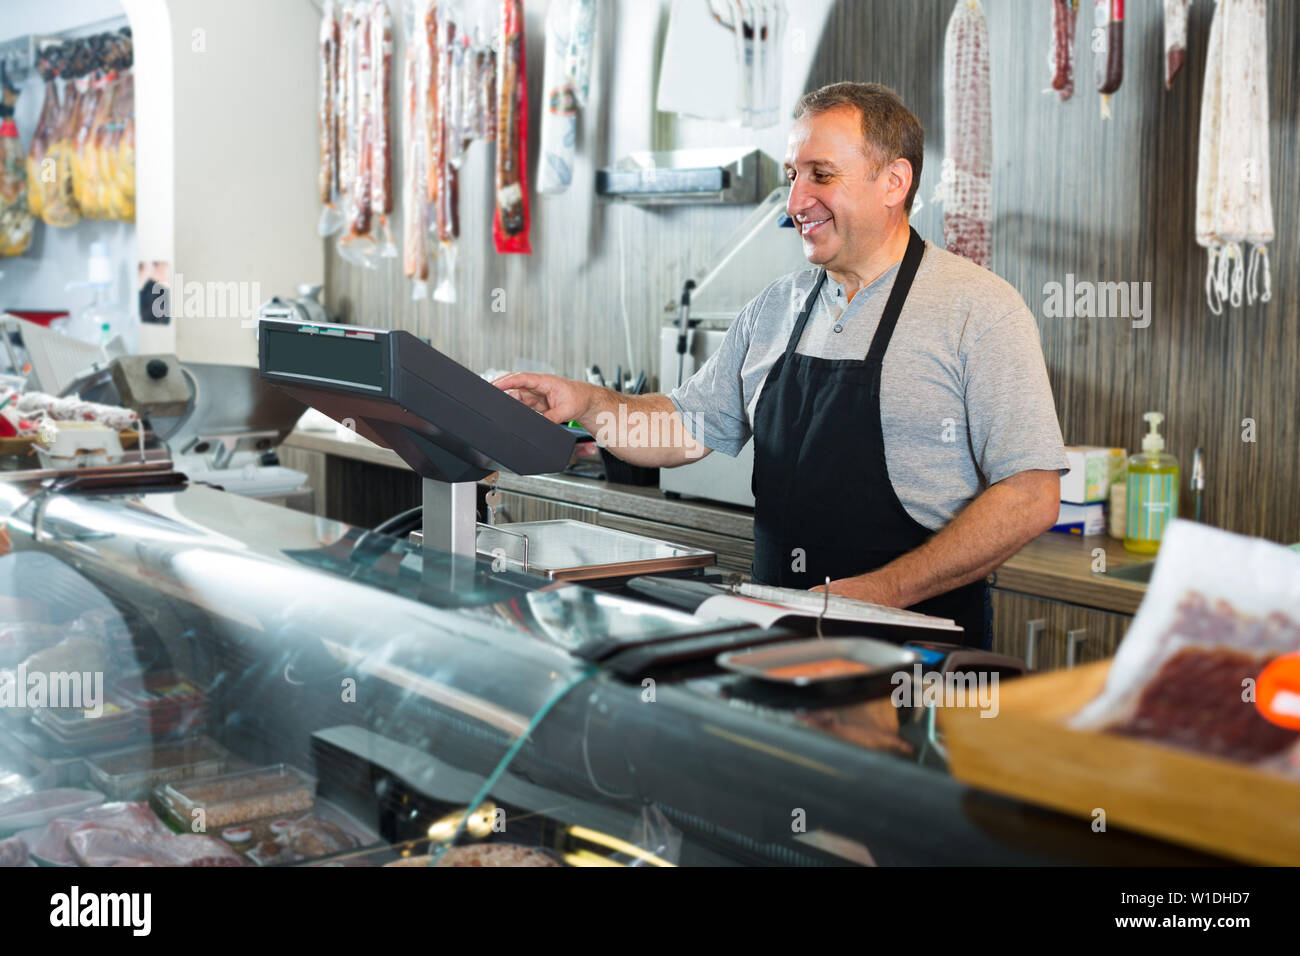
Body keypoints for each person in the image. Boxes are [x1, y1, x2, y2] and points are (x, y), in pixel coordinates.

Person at [495, 82, 1067, 647]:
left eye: (822, 174)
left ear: (894, 181)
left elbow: (1030, 494)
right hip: (779, 639)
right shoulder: (776, 306)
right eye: (793, 175)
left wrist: (879, 592)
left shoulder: (979, 309)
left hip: (914, 653)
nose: (795, 202)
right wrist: (590, 405)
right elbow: (685, 426)